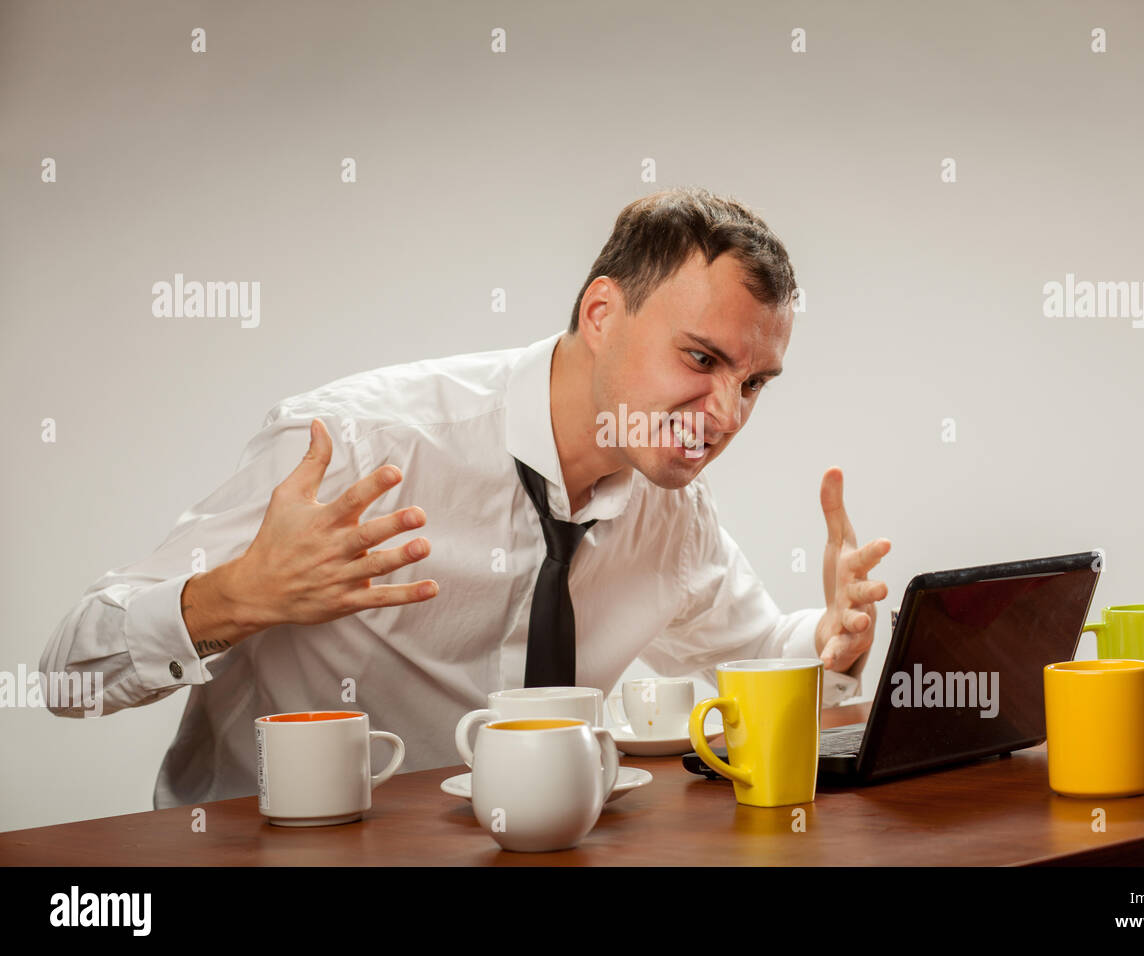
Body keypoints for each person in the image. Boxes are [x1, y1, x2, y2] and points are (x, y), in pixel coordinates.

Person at [39, 186, 891, 808]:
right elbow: (67, 676)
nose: (727, 415)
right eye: (702, 361)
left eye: (756, 383)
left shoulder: (669, 513)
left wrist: (832, 635)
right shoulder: (363, 447)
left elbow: (754, 656)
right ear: (602, 312)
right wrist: (231, 598)